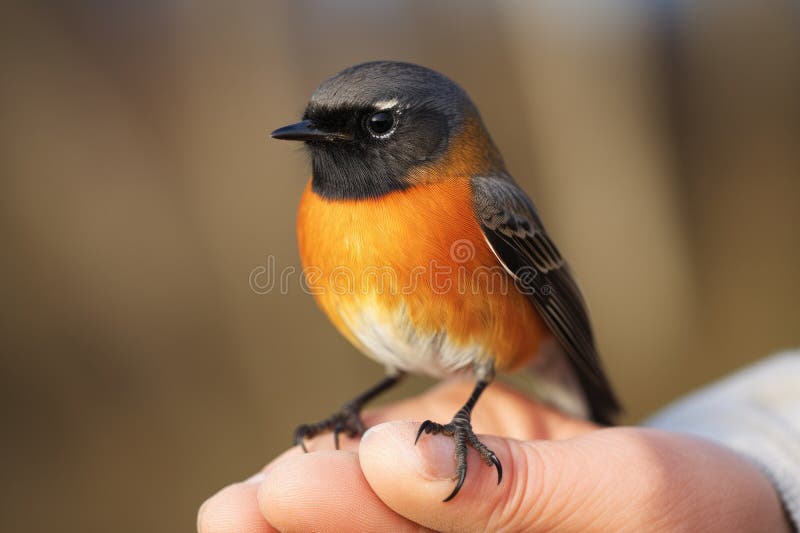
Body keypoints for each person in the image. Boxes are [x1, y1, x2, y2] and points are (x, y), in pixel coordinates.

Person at [198, 352, 800, 532]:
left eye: (373, 126)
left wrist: (759, 486)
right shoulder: (318, 214)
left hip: (498, 358)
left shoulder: (472, 200)